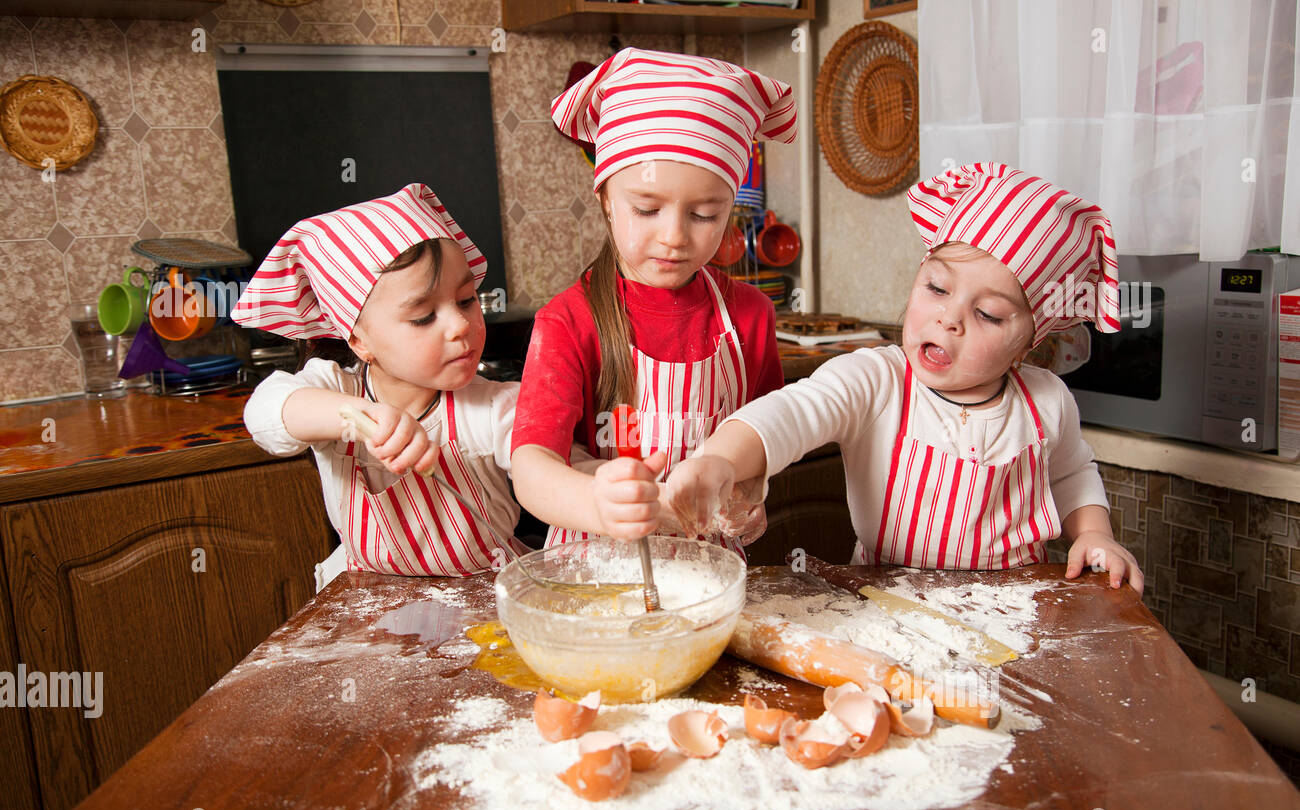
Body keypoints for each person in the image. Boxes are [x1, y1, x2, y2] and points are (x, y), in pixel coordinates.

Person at [665, 163, 1144, 594]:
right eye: (937, 288)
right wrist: (721, 460)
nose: (948, 319)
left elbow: (1072, 473)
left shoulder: (1047, 401)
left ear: (1028, 342)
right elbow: (793, 411)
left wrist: (1094, 533)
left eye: (988, 314)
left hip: (1016, 608)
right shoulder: (878, 381)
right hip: (886, 606)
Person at [510, 48, 795, 553]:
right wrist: (599, 503)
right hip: (593, 569)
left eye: (705, 215)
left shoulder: (750, 315)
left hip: (710, 572)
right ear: (605, 200)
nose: (674, 237)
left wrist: (751, 493)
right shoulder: (569, 320)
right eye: (646, 208)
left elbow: (765, 439)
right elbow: (531, 470)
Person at [235, 184, 531, 589]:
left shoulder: (493, 407)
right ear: (359, 340)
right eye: (424, 317)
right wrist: (362, 419)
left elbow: (550, 469)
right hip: (366, 601)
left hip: (488, 594)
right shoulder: (336, 387)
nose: (461, 325)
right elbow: (265, 413)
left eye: (466, 300)